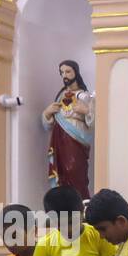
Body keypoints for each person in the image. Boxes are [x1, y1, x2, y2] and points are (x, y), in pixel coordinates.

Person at [41, 59, 93, 199]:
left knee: (75, 172)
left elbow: (96, 123)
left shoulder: (85, 96)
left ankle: (80, 204)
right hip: (59, 141)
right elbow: (48, 125)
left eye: (68, 71)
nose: (65, 75)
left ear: (76, 72)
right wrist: (47, 113)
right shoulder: (60, 95)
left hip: (77, 141)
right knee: (62, 174)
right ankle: (64, 207)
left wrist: (87, 111)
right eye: (62, 72)